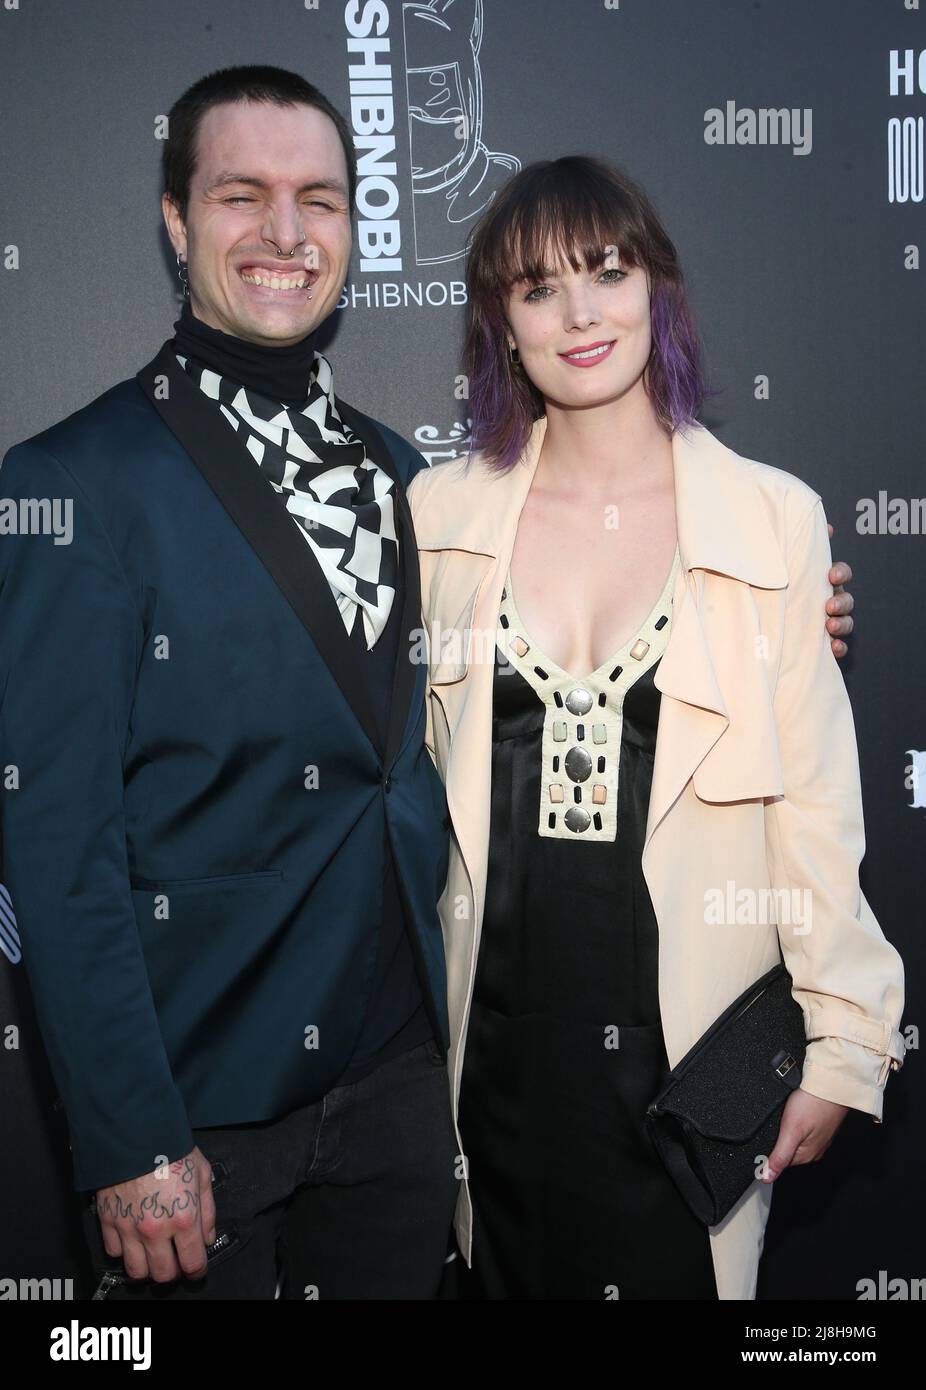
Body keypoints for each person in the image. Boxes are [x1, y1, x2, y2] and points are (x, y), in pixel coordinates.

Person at [407, 155, 905, 1301]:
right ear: (501, 325)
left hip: (688, 1043)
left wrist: (842, 1039)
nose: (579, 313)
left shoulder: (769, 520)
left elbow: (816, 805)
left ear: (655, 290)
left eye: (606, 271)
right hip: (493, 1046)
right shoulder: (436, 518)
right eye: (537, 289)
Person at [0, 65, 458, 1300]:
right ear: (173, 220)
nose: (285, 234)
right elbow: (55, 840)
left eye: (320, 198)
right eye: (240, 196)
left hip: (406, 1085)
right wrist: (130, 1134)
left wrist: (772, 601)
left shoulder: (404, 473)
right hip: (199, 1113)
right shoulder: (74, 483)